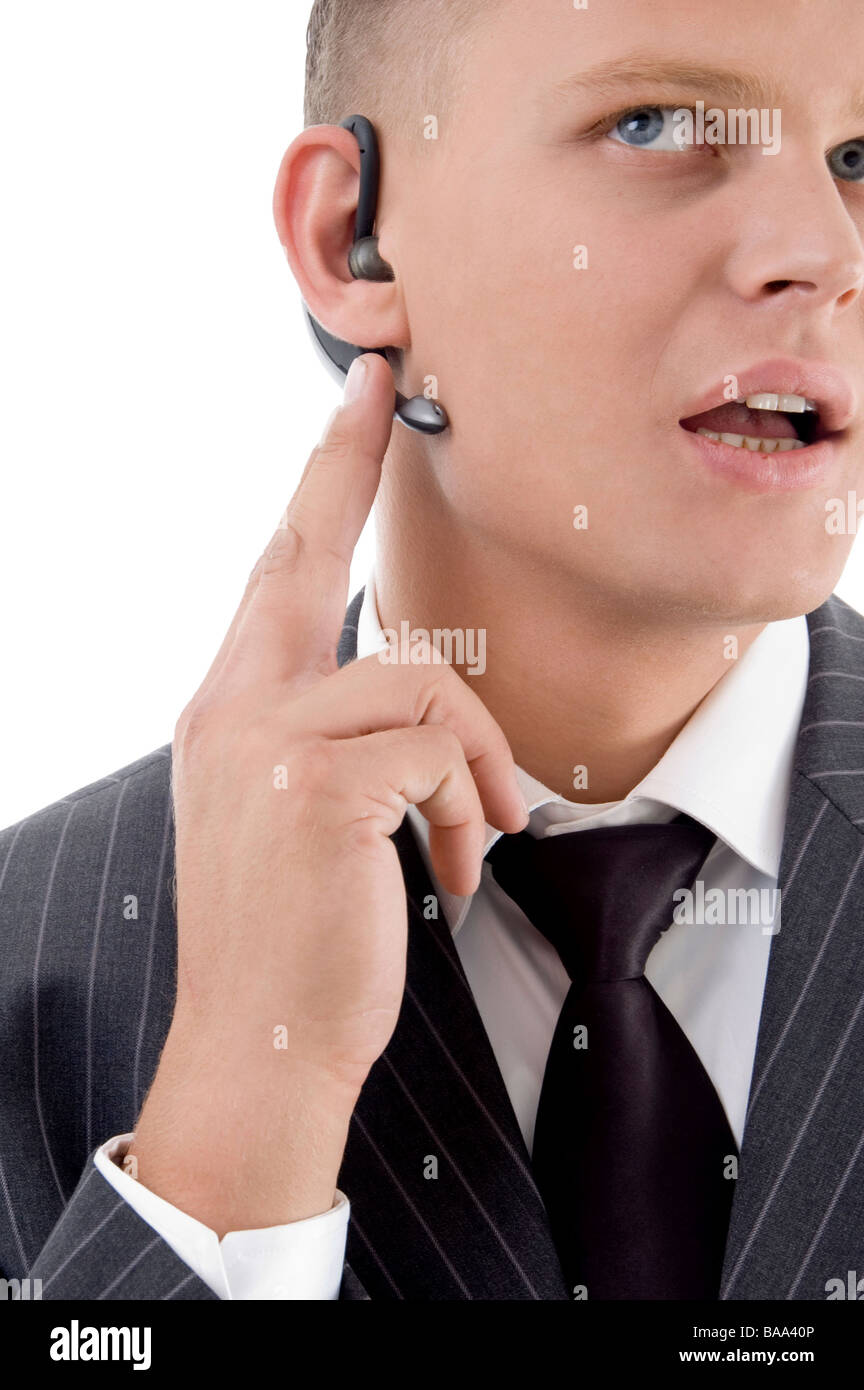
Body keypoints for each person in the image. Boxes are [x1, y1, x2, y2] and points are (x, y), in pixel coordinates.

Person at [2, 0, 864, 1301]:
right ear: (354, 237)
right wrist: (234, 1133)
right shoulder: (31, 956)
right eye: (659, 124)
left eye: (860, 160)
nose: (824, 247)